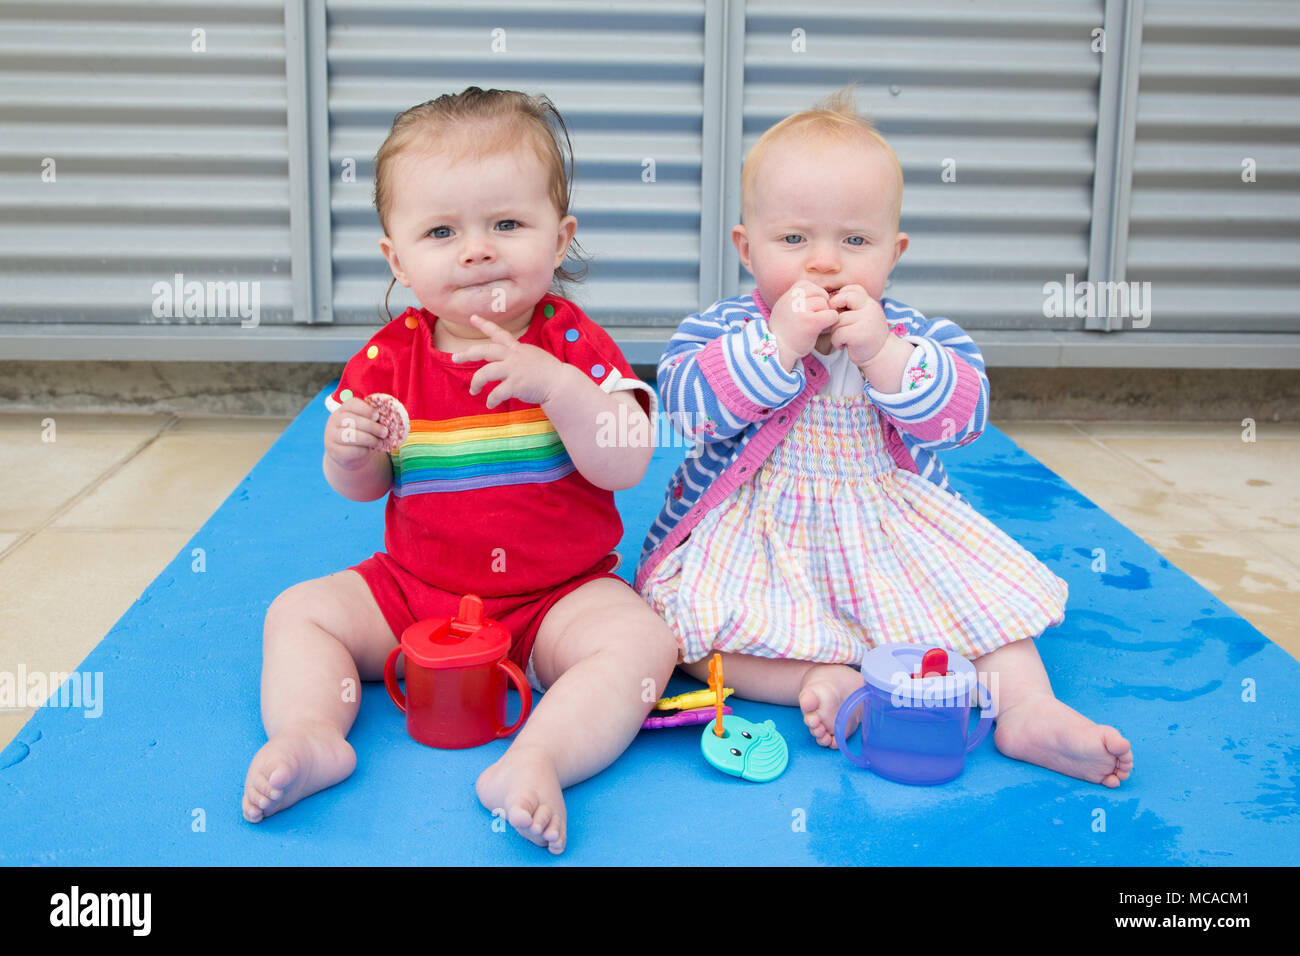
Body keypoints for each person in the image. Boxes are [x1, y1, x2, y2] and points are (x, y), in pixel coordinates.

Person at [637, 88, 1133, 788]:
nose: (825, 264)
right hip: (760, 533)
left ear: (892, 254)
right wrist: (775, 347)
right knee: (686, 634)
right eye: (794, 240)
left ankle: (1027, 708)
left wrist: (886, 356)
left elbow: (962, 418)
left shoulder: (913, 335)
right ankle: (823, 677)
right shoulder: (723, 329)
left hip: (882, 532)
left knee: (982, 618)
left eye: (855, 242)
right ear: (747, 250)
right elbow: (689, 409)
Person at [242, 87, 678, 852]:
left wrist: (560, 391)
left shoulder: (572, 343)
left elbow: (625, 463)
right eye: (442, 231)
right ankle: (314, 735)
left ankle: (537, 757)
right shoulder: (387, 360)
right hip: (416, 596)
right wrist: (350, 453)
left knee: (644, 644)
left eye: (507, 224)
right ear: (397, 257)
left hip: (557, 598)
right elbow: (365, 488)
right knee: (298, 612)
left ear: (560, 235)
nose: (477, 249)